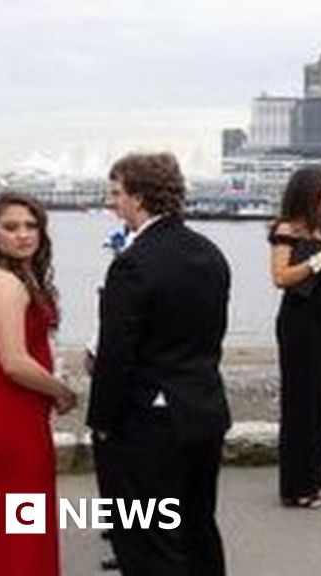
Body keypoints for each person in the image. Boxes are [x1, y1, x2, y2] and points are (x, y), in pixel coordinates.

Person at [88, 153, 232, 575]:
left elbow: (117, 354)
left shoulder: (132, 263)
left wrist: (103, 422)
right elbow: (210, 335)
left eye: (116, 193)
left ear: (139, 196)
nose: (112, 203)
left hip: (149, 421)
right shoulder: (210, 253)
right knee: (199, 528)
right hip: (203, 407)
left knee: (150, 542)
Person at [0, 192, 76, 575]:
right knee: (17, 530)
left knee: (11, 525)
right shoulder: (4, 284)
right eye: (11, 227)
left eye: (31, 226)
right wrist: (61, 392)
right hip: (7, 416)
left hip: (17, 413)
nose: (24, 235)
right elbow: (14, 361)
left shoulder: (14, 277)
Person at [269, 167, 321, 509]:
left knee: (319, 397)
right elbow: (281, 276)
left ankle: (314, 478)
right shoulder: (286, 230)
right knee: (298, 399)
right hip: (296, 320)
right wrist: (319, 261)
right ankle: (295, 484)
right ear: (310, 195)